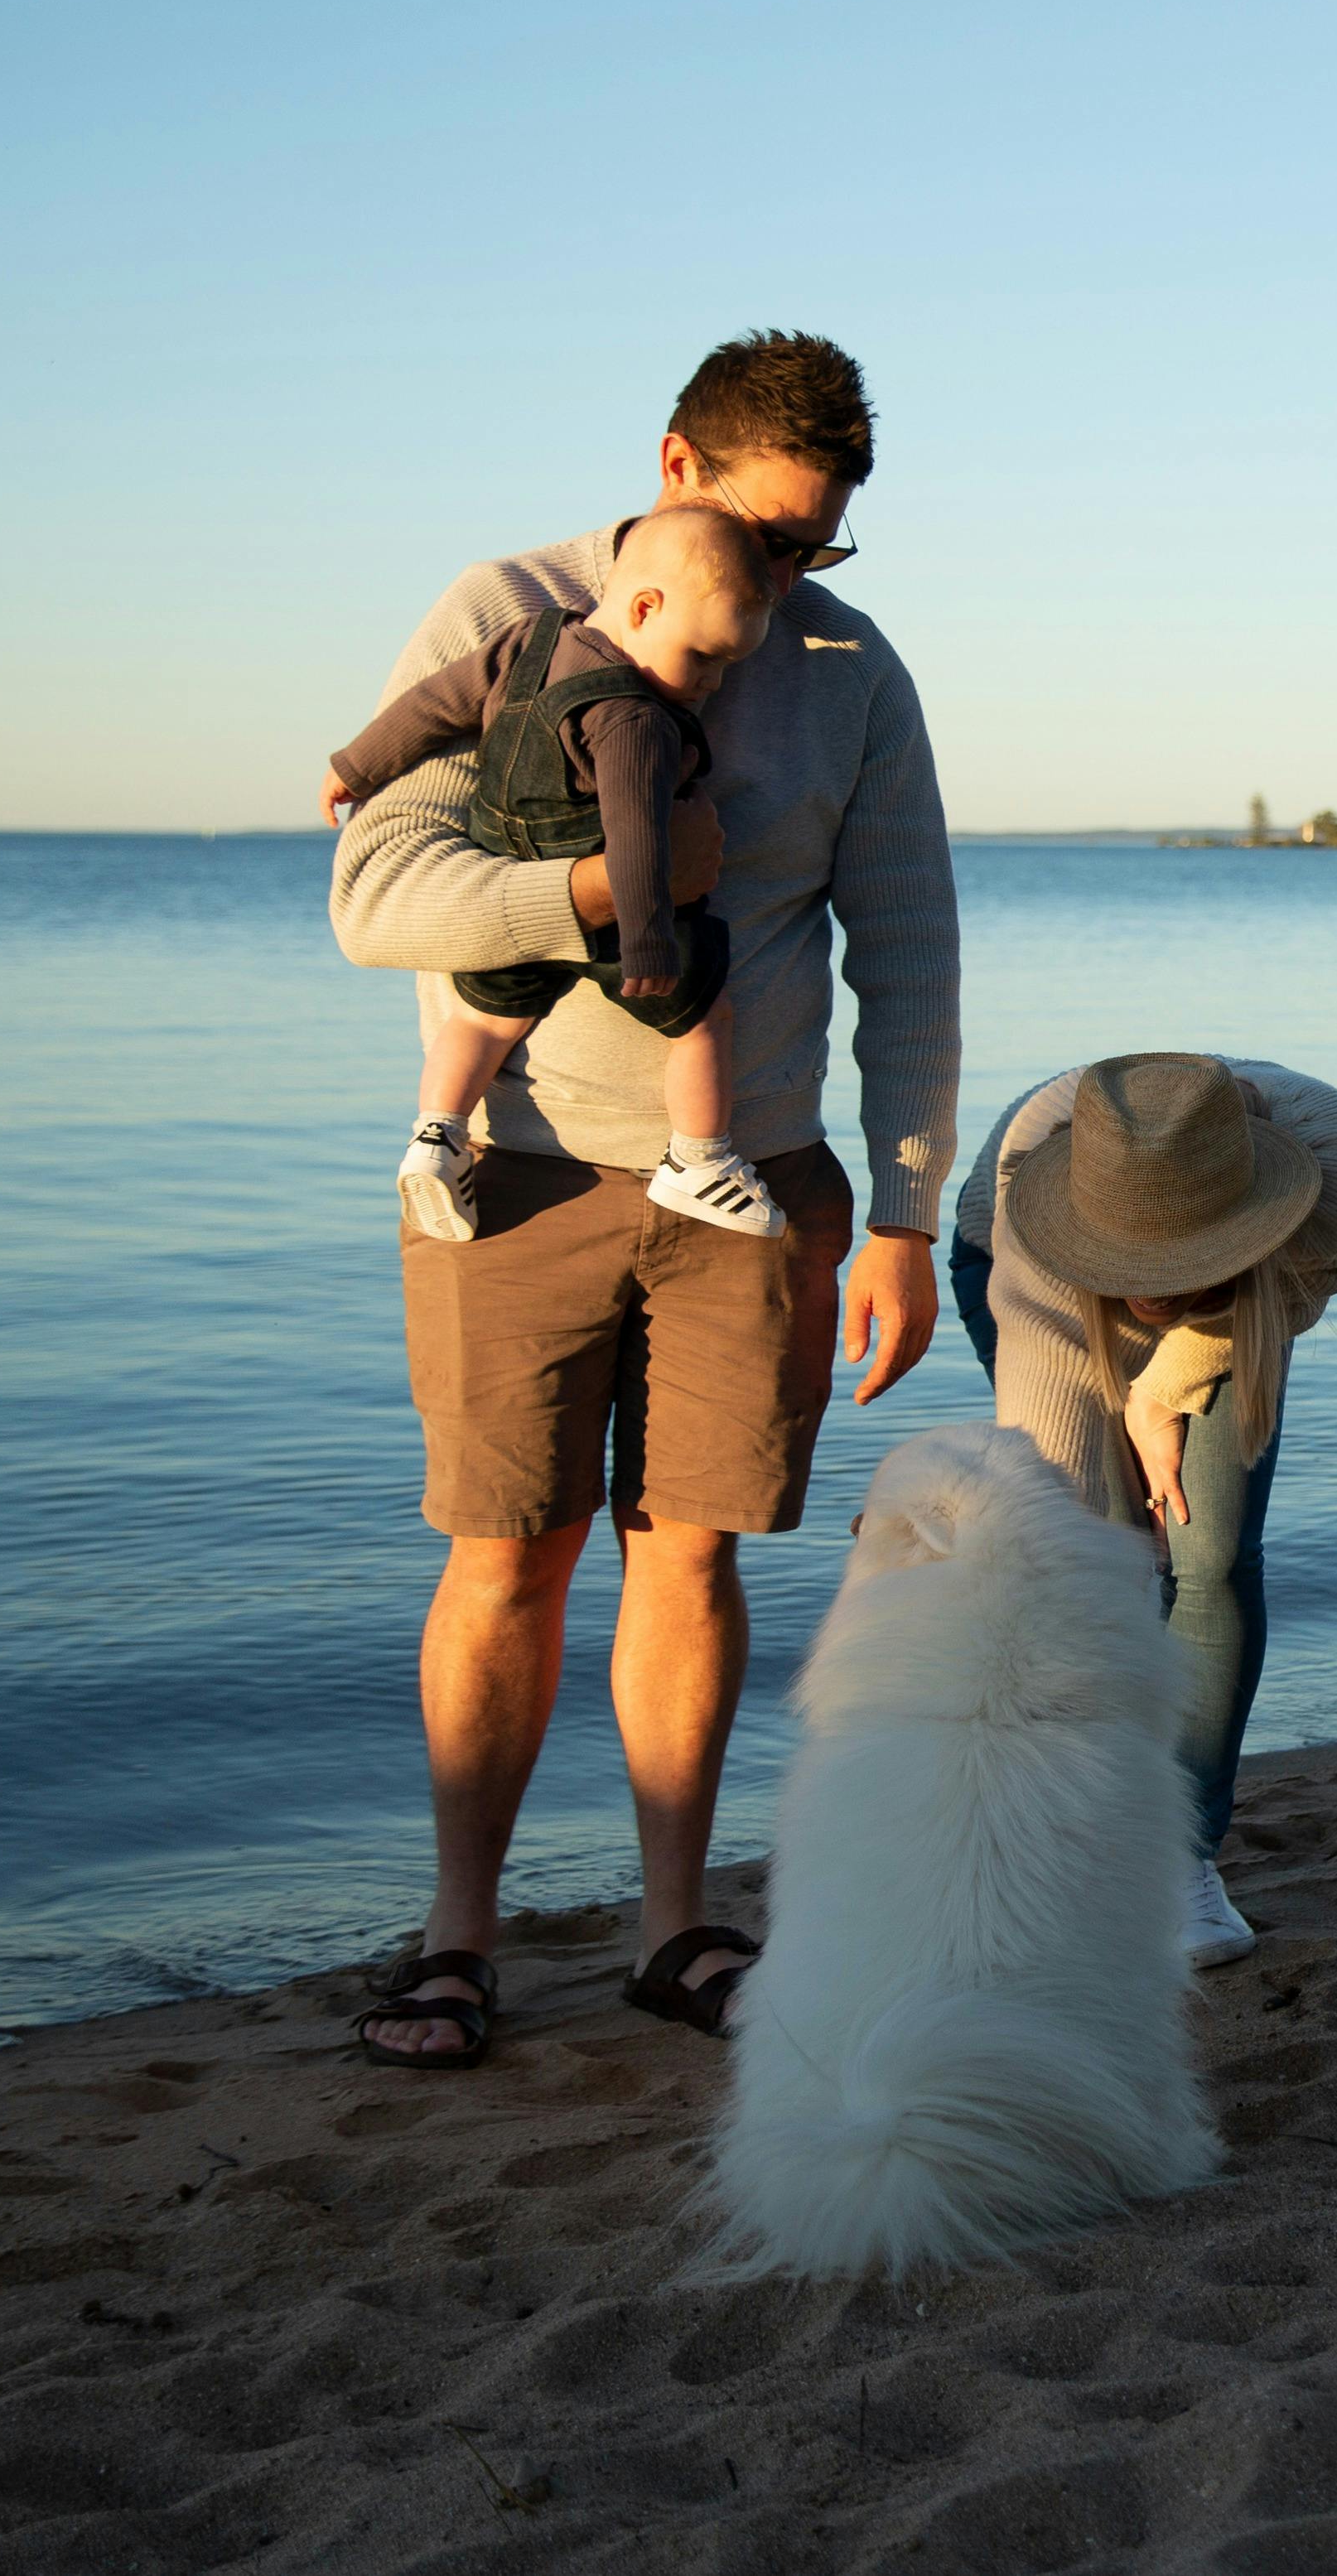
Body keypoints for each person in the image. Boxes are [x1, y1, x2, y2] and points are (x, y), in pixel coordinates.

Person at [326, 330, 961, 2071]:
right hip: (519, 1174)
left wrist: (903, 1209)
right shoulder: (507, 609)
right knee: (504, 1555)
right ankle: (459, 1936)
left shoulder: (845, 661)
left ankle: (671, 1921)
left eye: (822, 542)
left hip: (749, 1182)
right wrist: (607, 885)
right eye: (767, 529)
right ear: (674, 466)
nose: (788, 570)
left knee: (689, 1554)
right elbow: (375, 891)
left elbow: (906, 941)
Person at [960, 1053, 1337, 1966]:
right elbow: (1055, 1485)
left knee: (1209, 1553)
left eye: (1170, 1256)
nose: (1147, 1280)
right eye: (1136, 1261)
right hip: (1045, 1278)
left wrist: (1163, 1394)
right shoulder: (1031, 1207)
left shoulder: (1330, 1169)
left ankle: (1180, 1854)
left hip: (1244, 1290)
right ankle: (1070, 1837)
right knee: (1091, 1552)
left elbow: (1302, 1281)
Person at [320, 504, 784, 1245]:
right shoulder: (634, 720)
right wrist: (649, 946)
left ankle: (437, 1137)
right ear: (643, 608)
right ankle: (700, 1160)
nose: (712, 684)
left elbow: (434, 706)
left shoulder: (527, 643)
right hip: (608, 910)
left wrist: (355, 765)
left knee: (479, 1020)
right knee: (704, 1023)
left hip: (509, 870)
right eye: (703, 657)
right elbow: (636, 839)